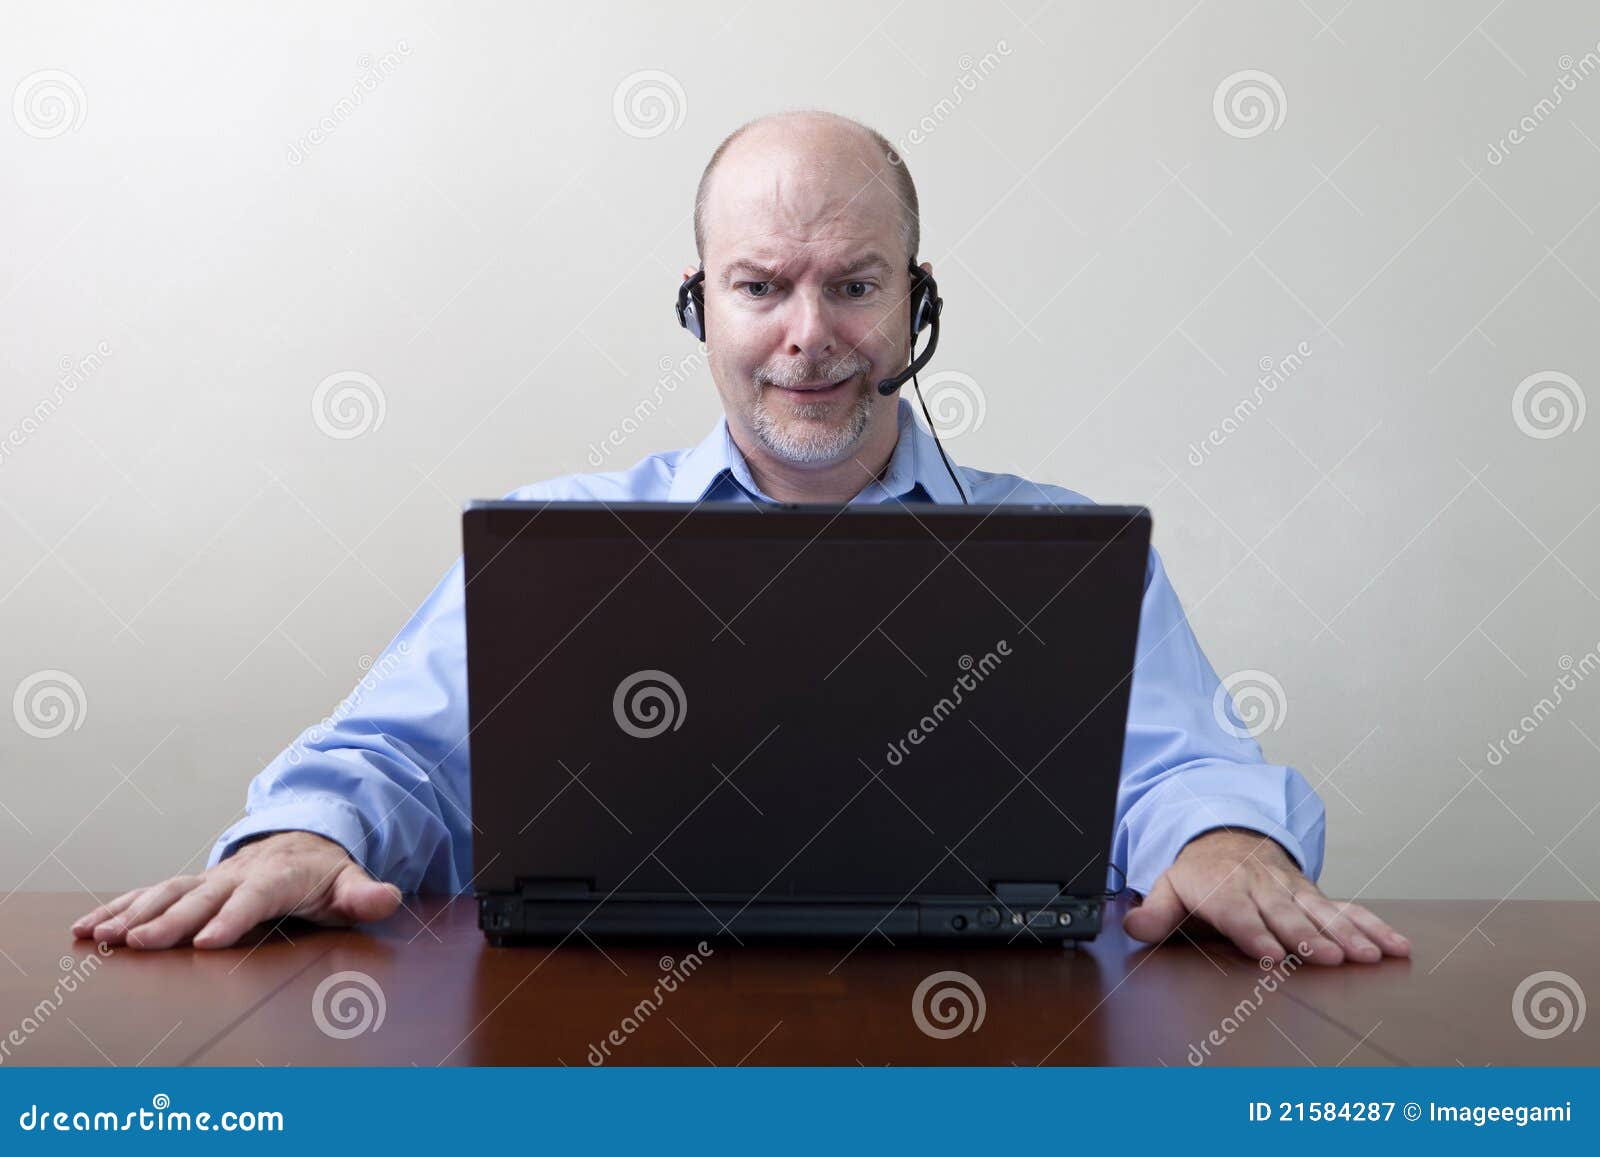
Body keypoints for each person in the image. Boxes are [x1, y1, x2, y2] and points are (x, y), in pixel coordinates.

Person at [72, 110, 1410, 967]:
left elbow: (1176, 766)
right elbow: (392, 758)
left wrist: (1224, 839)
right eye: (762, 287)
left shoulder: (1054, 549)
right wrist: (301, 835)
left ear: (919, 304)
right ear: (700, 307)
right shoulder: (568, 542)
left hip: (998, 1061)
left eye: (855, 284)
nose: (809, 332)